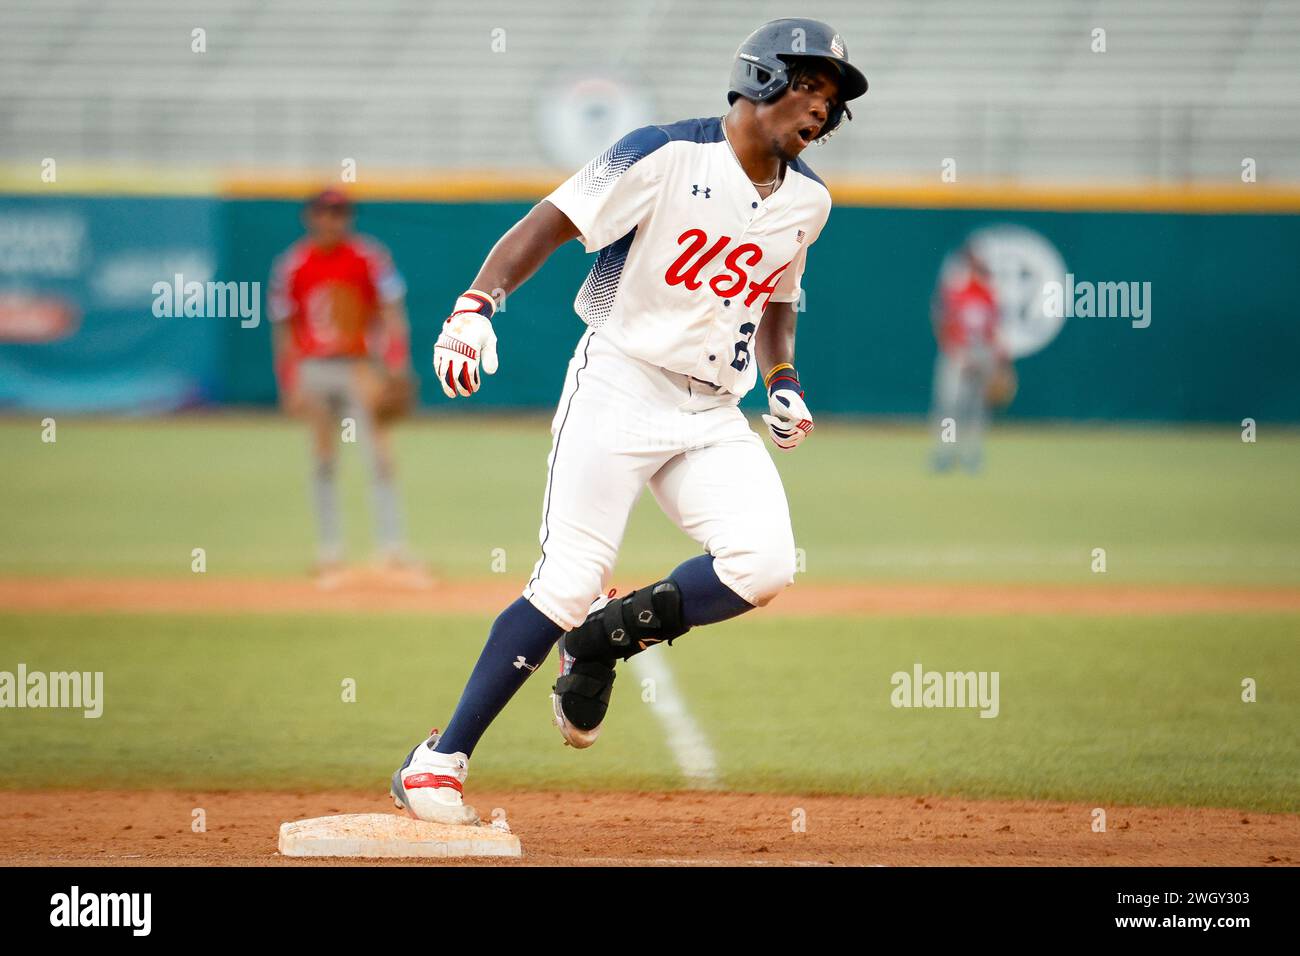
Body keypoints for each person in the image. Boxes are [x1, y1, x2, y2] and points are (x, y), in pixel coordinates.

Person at [391, 19, 868, 823]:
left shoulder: (809, 201)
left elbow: (779, 295)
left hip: (713, 410)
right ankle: (437, 763)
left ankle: (601, 643)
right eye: (808, 86)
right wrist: (476, 306)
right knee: (568, 578)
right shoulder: (662, 153)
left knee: (765, 564)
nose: (820, 109)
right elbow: (548, 221)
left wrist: (783, 378)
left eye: (832, 100)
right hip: (620, 382)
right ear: (758, 77)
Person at [269, 189, 422, 586]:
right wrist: (288, 379)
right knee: (323, 459)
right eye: (324, 212)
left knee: (380, 457)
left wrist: (395, 364)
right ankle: (330, 550)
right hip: (314, 366)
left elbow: (392, 312)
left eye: (339, 213)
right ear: (310, 217)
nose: (331, 220)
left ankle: (391, 547)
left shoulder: (369, 257)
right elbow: (284, 326)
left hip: (358, 366)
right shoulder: (293, 264)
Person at [929, 243, 1009, 473]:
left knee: (976, 408)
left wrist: (997, 358)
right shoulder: (955, 293)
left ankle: (971, 453)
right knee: (949, 407)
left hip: (981, 354)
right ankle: (945, 452)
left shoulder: (988, 296)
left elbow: (993, 332)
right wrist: (957, 351)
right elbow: (944, 324)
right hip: (957, 354)